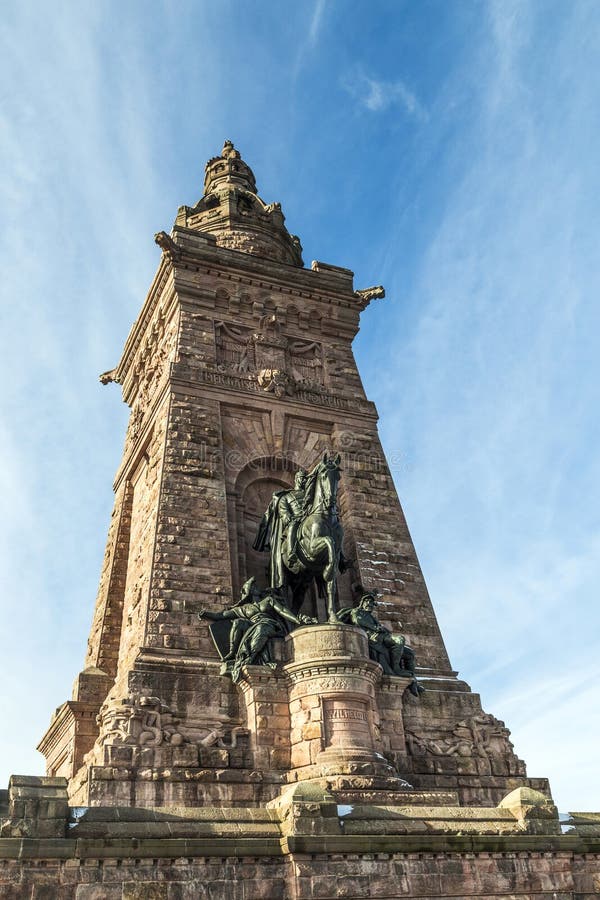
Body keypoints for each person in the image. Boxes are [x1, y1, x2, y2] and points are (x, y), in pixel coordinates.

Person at [199, 584, 316, 683]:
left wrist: (297, 620)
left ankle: (250, 658)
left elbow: (283, 611)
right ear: (248, 591)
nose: (256, 587)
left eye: (255, 586)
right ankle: (232, 652)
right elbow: (222, 615)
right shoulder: (244, 608)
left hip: (269, 624)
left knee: (261, 629)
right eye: (253, 586)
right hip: (252, 625)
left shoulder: (268, 600)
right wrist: (207, 614)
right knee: (238, 623)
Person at [338, 591, 422, 696]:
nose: (369, 604)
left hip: (382, 637)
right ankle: (396, 668)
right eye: (367, 601)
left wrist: (382, 629)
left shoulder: (371, 617)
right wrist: (376, 628)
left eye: (371, 602)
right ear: (362, 603)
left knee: (410, 654)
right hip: (373, 638)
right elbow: (358, 621)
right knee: (400, 639)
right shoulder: (356, 612)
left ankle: (413, 682)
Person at [252, 468, 307, 588]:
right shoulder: (286, 496)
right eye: (301, 478)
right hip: (294, 522)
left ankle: (341, 559)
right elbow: (284, 512)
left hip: (309, 524)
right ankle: (291, 553)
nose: (303, 481)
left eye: (305, 479)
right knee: (293, 526)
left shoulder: (310, 497)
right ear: (296, 479)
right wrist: (288, 517)